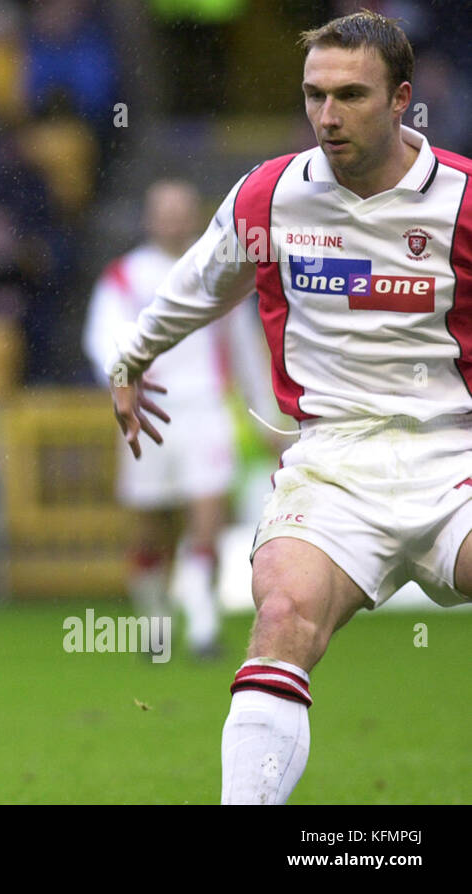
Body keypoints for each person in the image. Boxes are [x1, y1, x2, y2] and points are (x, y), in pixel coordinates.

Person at [106, 10, 472, 803]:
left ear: (403, 97)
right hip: (333, 463)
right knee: (281, 615)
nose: (328, 116)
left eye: (350, 95)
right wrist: (132, 358)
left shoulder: (463, 201)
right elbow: (198, 284)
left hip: (456, 456)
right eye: (314, 96)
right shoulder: (273, 196)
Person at [83, 179, 278, 657]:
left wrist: (266, 420)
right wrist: (122, 376)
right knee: (150, 529)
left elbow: (246, 349)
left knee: (206, 519)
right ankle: (155, 628)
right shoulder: (124, 276)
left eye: (180, 210)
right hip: (147, 413)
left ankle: (203, 629)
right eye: (162, 210)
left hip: (207, 409)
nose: (171, 219)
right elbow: (101, 336)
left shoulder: (219, 271)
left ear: (196, 215)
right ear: (149, 216)